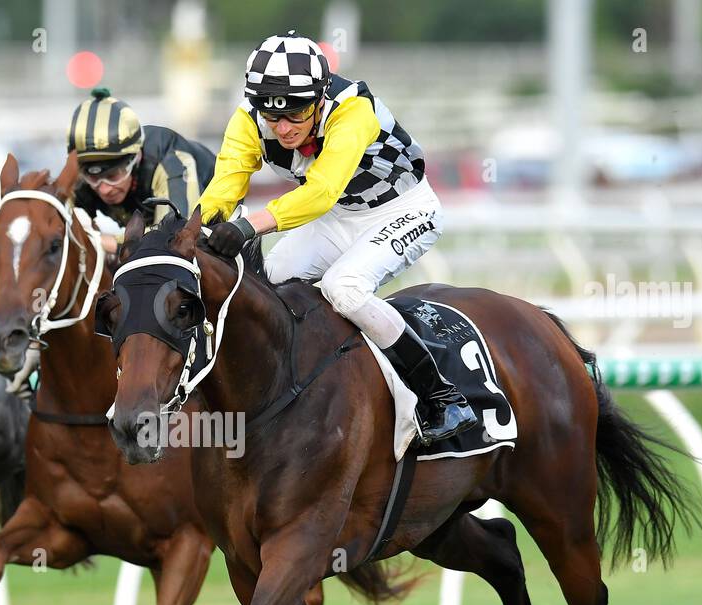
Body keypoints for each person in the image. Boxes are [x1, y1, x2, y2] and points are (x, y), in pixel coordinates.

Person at [196, 31, 477, 445]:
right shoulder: (249, 118)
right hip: (339, 214)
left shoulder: (353, 111)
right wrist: (195, 231)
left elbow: (321, 191)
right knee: (267, 283)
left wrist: (247, 226)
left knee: (343, 288)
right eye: (272, 116)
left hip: (403, 209)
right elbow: (225, 186)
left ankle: (441, 395)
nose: (283, 127)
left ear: (320, 97)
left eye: (295, 113)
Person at [68, 88, 217, 254]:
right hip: (145, 220)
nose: (104, 189)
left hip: (211, 215)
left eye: (113, 175)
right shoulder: (81, 177)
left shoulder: (170, 161)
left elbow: (175, 236)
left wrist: (105, 242)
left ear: (136, 157)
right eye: (93, 177)